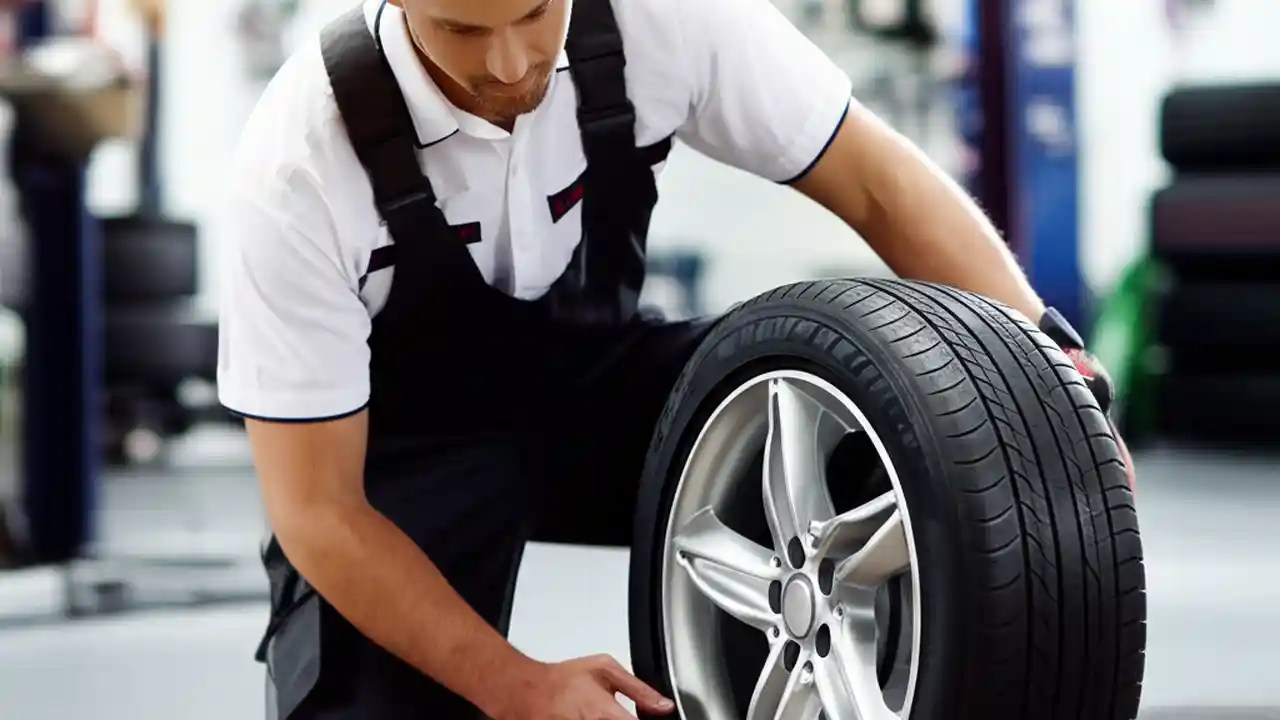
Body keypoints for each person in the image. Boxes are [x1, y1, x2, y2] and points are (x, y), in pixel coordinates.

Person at [216, 0, 1132, 717]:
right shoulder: (300, 157)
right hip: (400, 463)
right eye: (460, 30)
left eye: (535, 15)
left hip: (601, 390)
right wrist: (511, 683)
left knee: (894, 429)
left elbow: (878, 184)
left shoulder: (663, 18)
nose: (507, 65)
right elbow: (319, 511)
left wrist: (1048, 373)